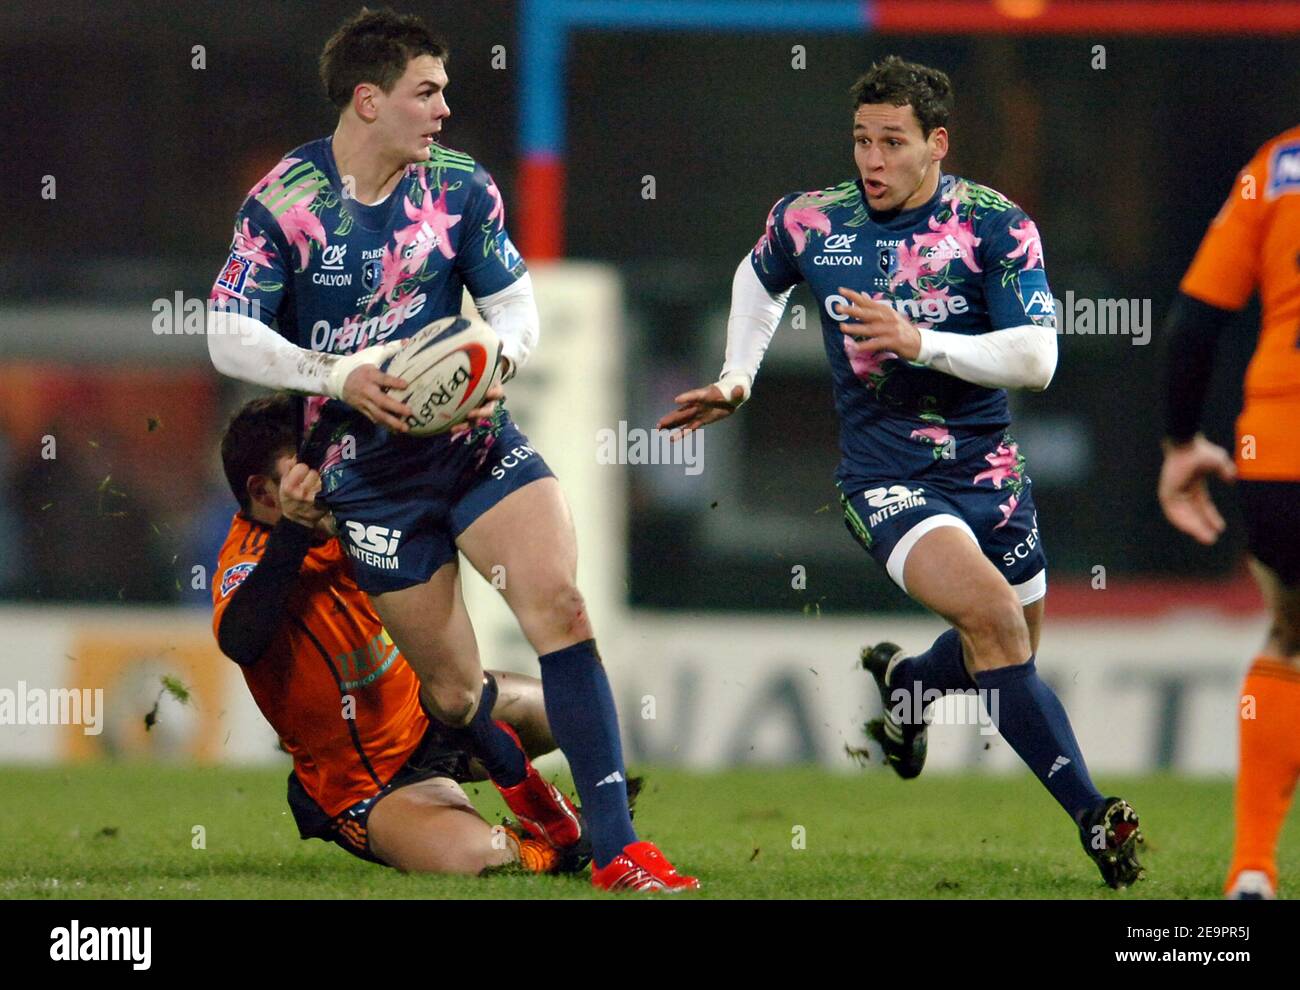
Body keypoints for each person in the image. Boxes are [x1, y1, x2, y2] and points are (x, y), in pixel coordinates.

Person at [205, 8, 694, 891]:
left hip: (472, 447)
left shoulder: (462, 188)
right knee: (456, 696)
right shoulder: (285, 203)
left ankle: (619, 850)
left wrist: (494, 359)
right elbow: (227, 336)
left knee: (563, 612)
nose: (442, 109)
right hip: (370, 485)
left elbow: (518, 312)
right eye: (425, 92)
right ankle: (537, 810)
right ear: (367, 100)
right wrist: (338, 374)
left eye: (443, 92)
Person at [660, 55, 1142, 888]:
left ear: (936, 146)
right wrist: (741, 374)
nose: (871, 161)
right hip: (886, 478)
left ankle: (909, 683)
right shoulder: (816, 222)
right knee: (993, 620)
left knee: (1011, 645)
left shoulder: (996, 226)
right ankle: (1094, 816)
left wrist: (921, 342)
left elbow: (1037, 359)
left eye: (891, 142)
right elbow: (757, 277)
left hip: (991, 474)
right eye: (860, 140)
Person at [212, 394, 575, 874]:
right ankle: (522, 836)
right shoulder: (248, 558)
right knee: (491, 862)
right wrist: (296, 531)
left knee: (572, 713)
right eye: (305, 466)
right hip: (366, 783)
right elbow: (240, 639)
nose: (327, 473)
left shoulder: (354, 504)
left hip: (431, 716)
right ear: (263, 493)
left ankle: (584, 817)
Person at [1158, 123, 1300, 900]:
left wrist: (1181, 441)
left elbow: (1193, 325)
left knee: (1288, 631)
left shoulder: (1277, 163)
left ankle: (1252, 867)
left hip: (1281, 446)